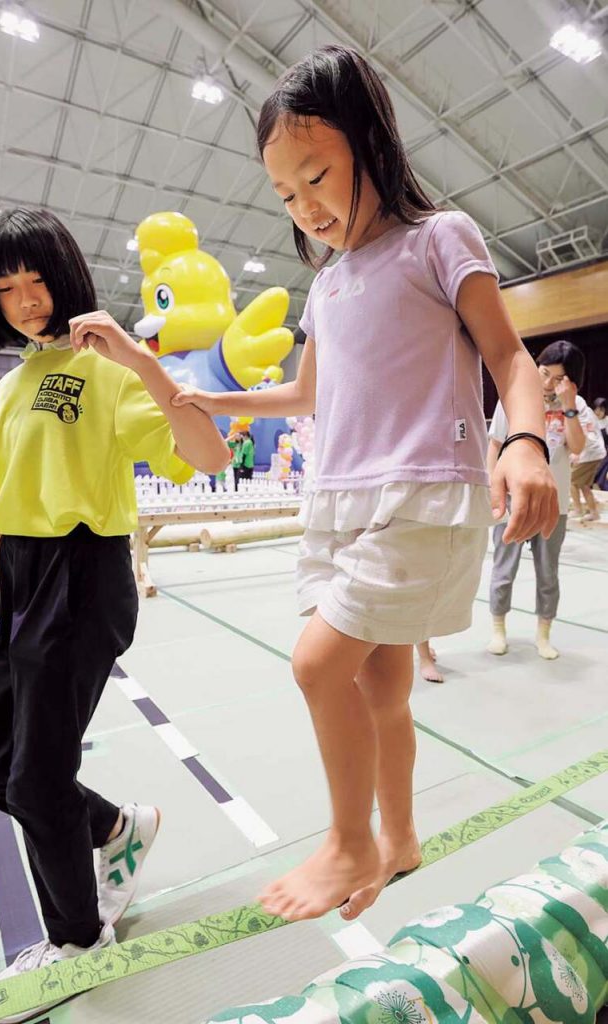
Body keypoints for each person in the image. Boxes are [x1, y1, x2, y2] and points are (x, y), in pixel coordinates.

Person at [172, 45, 557, 924]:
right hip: (341, 501)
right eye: (287, 197)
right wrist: (215, 396)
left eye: (318, 176)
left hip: (421, 493)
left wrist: (525, 441)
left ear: (371, 145)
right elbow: (308, 393)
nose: (307, 209)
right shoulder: (327, 285)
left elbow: (508, 355)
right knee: (381, 691)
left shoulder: (439, 238)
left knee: (316, 666)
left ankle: (349, 840)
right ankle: (401, 836)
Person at [0, 208, 228, 1022]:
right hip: (23, 585)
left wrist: (140, 359)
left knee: (35, 781)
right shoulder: (4, 390)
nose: (25, 299)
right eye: (6, 287)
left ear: (65, 275)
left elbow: (207, 456)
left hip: (84, 575)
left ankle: (78, 943)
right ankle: (112, 824)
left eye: (36, 279)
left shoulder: (105, 371)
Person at [487, 341, 589, 660]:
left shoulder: (575, 405)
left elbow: (576, 447)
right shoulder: (516, 398)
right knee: (504, 569)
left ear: (571, 380)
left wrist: (569, 404)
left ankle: (543, 634)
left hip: (553, 504)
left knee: (548, 573)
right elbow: (494, 446)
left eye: (557, 378)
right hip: (514, 499)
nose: (547, 383)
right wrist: (495, 493)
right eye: (545, 373)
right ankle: (498, 630)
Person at [570, 401, 605, 521]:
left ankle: (578, 509)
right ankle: (593, 512)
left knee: (572, 481)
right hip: (591, 451)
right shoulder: (585, 411)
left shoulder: (580, 408)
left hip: (590, 452)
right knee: (583, 484)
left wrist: (576, 454)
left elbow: (585, 433)